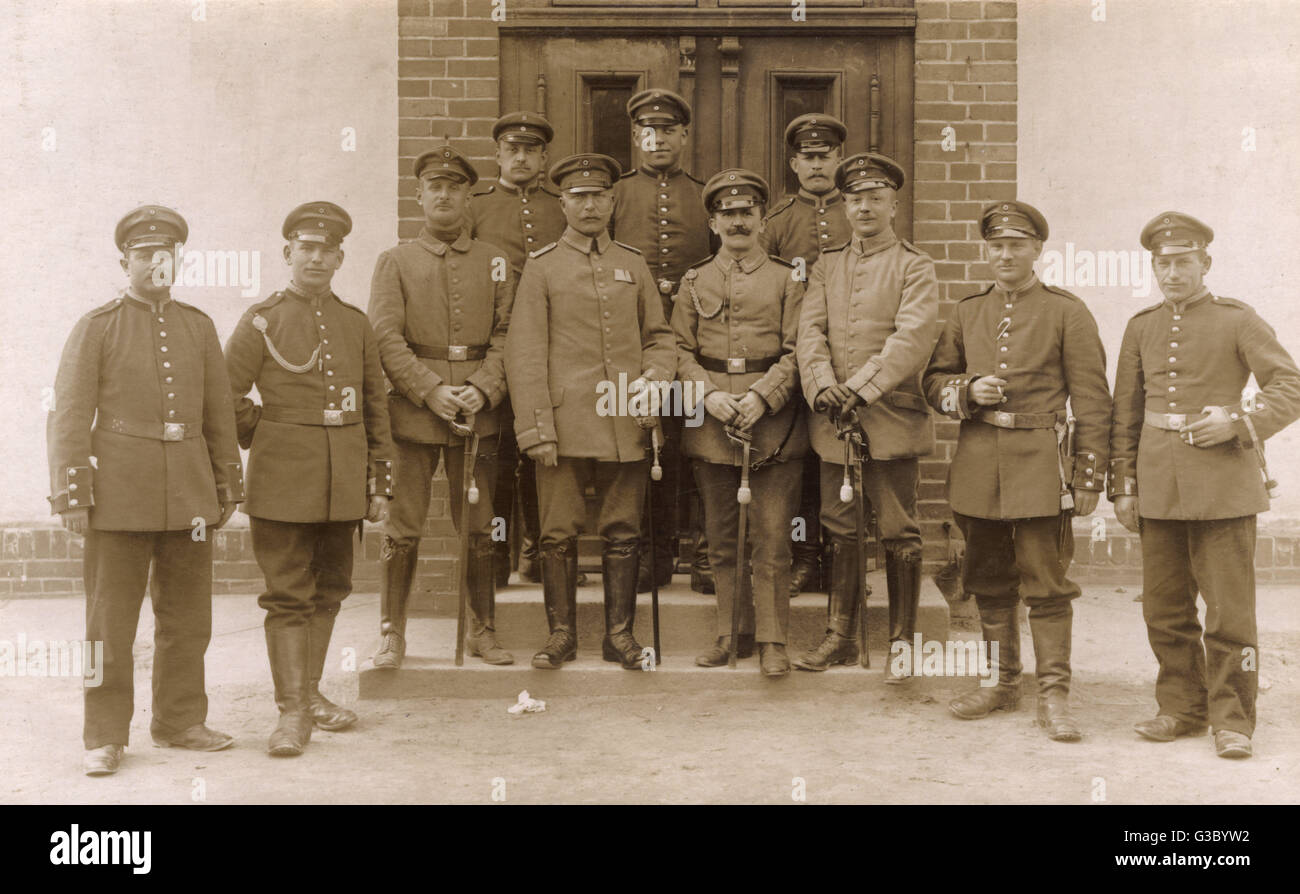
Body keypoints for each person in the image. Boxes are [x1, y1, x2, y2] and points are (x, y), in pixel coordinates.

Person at [49, 205, 244, 776]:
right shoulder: (98, 325)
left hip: (188, 494)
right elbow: (68, 416)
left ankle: (180, 721)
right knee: (107, 624)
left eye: (167, 255)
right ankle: (104, 735)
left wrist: (226, 482)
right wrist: (73, 493)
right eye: (144, 255)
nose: (157, 264)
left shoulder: (198, 326)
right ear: (124, 261)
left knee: (188, 619)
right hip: (118, 496)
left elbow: (218, 416)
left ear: (178, 260)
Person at [1109, 211, 1300, 759]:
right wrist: (1123, 484)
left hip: (1223, 487)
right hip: (1158, 488)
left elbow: (1289, 385)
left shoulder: (1238, 319)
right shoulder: (1141, 326)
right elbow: (1127, 411)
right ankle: (1180, 708)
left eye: (1183, 263)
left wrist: (1239, 422)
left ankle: (1233, 719)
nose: (1171, 274)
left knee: (1229, 614)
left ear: (1205, 263)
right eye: (1162, 264)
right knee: (1164, 609)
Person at [925, 201, 1111, 741]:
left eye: (1017, 245)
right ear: (988, 251)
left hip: (1041, 469)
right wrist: (967, 391)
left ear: (1037, 251)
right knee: (988, 582)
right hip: (980, 465)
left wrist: (1088, 477)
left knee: (1047, 585)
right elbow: (934, 381)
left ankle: (1054, 697)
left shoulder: (1066, 312)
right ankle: (1000, 683)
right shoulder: (967, 311)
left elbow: (1094, 403)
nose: (1006, 255)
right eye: (997, 246)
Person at [225, 201, 393, 756]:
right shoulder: (262, 320)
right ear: (288, 253)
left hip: (342, 481)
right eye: (307, 248)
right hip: (281, 481)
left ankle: (312, 693)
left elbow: (375, 406)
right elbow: (222, 397)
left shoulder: (354, 323)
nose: (316, 258)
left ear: (340, 257)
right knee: (288, 596)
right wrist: (268, 432)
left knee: (330, 590)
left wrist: (378, 482)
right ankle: (291, 714)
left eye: (327, 250)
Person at [508, 153, 676, 670]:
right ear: (562, 203)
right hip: (563, 421)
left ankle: (619, 636)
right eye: (578, 196)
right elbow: (525, 352)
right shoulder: (542, 267)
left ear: (611, 200)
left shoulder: (634, 262)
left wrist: (655, 380)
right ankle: (561, 635)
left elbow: (660, 338)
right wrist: (536, 428)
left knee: (623, 528)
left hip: (626, 417)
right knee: (557, 532)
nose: (588, 205)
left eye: (598, 195)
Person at [368, 145, 516, 670]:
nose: (445, 195)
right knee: (403, 526)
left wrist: (482, 388)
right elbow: (384, 338)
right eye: (435, 186)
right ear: (419, 195)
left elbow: (508, 335)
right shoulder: (396, 261)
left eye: (455, 187)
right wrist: (430, 390)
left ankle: (483, 629)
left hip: (478, 413)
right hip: (413, 414)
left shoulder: (495, 261)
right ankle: (391, 633)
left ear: (467, 197)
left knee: (478, 525)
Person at [794, 153, 940, 677]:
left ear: (893, 204)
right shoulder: (827, 264)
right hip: (834, 420)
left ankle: (902, 642)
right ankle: (840, 638)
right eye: (854, 200)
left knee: (899, 530)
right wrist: (823, 386)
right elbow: (808, 332)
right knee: (840, 526)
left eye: (875, 198)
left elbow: (914, 337)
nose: (864, 208)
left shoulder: (915, 265)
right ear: (843, 207)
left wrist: (862, 386)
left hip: (891, 418)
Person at [673, 169, 807, 677]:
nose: (737, 222)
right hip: (711, 421)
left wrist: (761, 396)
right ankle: (731, 631)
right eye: (727, 214)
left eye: (746, 212)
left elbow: (799, 350)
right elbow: (678, 349)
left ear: (761, 220)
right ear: (712, 222)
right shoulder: (693, 280)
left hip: (773, 423)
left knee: (772, 539)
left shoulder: (787, 278)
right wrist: (707, 395)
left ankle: (773, 639)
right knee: (721, 538)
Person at [612, 88, 715, 593]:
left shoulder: (704, 195)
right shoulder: (616, 194)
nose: (658, 139)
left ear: (684, 136)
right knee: (646, 446)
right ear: (635, 136)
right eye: (648, 131)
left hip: (696, 344)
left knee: (696, 446)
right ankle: (652, 554)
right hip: (636, 346)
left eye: (668, 130)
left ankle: (704, 554)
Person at [468, 111, 566, 586]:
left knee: (544, 447)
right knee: (501, 448)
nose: (522, 157)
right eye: (513, 149)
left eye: (531, 150)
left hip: (552, 343)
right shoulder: (476, 205)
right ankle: (499, 555)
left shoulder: (560, 204)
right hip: (495, 341)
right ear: (498, 155)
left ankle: (538, 553)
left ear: (545, 157)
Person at [762, 112, 854, 596]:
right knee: (797, 460)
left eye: (826, 157)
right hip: (794, 358)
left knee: (842, 460)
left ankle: (845, 561)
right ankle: (804, 557)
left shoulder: (857, 212)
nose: (817, 165)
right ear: (794, 164)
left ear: (839, 160)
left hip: (849, 360)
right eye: (808, 158)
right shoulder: (776, 222)